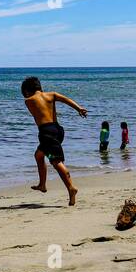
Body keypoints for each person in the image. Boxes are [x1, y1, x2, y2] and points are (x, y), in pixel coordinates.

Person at [22, 76, 87, 205]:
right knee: (39, 155)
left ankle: (71, 188)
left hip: (46, 133)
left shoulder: (29, 100)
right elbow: (66, 100)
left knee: (56, 161)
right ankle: (42, 185)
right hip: (58, 130)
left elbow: (36, 114)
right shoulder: (51, 95)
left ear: (27, 91)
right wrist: (79, 108)